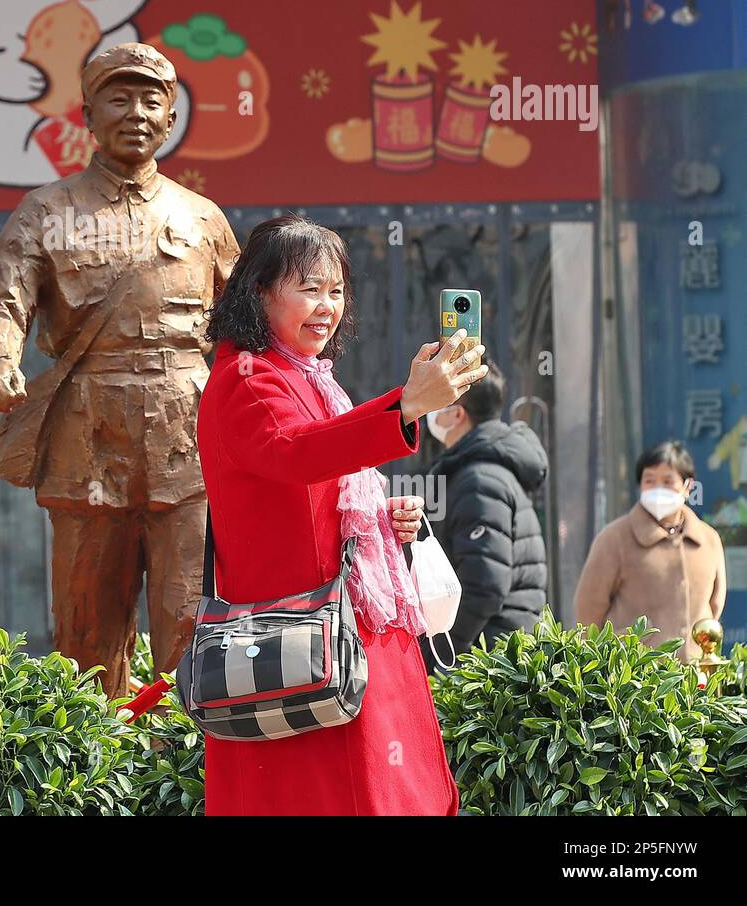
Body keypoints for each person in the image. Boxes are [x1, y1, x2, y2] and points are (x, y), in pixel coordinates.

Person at [0, 42, 239, 699]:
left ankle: (187, 767)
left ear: (171, 118)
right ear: (87, 114)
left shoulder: (202, 218)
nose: (137, 113)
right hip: (87, 435)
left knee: (190, 614)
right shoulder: (45, 212)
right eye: (119, 98)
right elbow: (2, 302)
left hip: (188, 430)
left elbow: (246, 328)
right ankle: (99, 769)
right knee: (87, 627)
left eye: (153, 101)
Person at [196, 214, 487, 816]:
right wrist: (405, 406)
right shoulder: (247, 379)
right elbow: (299, 452)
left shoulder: (305, 377)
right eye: (308, 287)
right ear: (257, 290)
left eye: (335, 290)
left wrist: (385, 519)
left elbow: (320, 475)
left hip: (338, 628)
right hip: (299, 637)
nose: (327, 306)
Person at [420, 359, 548, 672]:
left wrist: (440, 657)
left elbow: (483, 586)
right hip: (496, 654)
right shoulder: (478, 471)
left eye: (439, 398)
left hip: (490, 663)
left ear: (457, 413)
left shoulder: (480, 480)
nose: (428, 409)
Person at [574, 440, 725, 664]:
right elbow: (588, 614)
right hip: (635, 684)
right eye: (649, 480)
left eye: (667, 481)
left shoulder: (708, 539)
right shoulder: (615, 538)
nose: (657, 489)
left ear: (687, 487)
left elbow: (714, 606)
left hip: (695, 679)